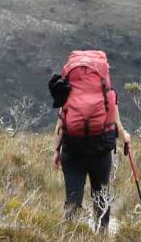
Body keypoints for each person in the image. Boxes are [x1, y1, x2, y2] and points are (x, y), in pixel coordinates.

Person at [51, 51, 129, 231]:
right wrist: (126, 138)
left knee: (73, 195)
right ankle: (102, 234)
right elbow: (116, 124)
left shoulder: (68, 92)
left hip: (72, 149)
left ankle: (69, 236)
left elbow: (61, 124)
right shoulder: (108, 95)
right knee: (101, 195)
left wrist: (56, 151)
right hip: (100, 149)